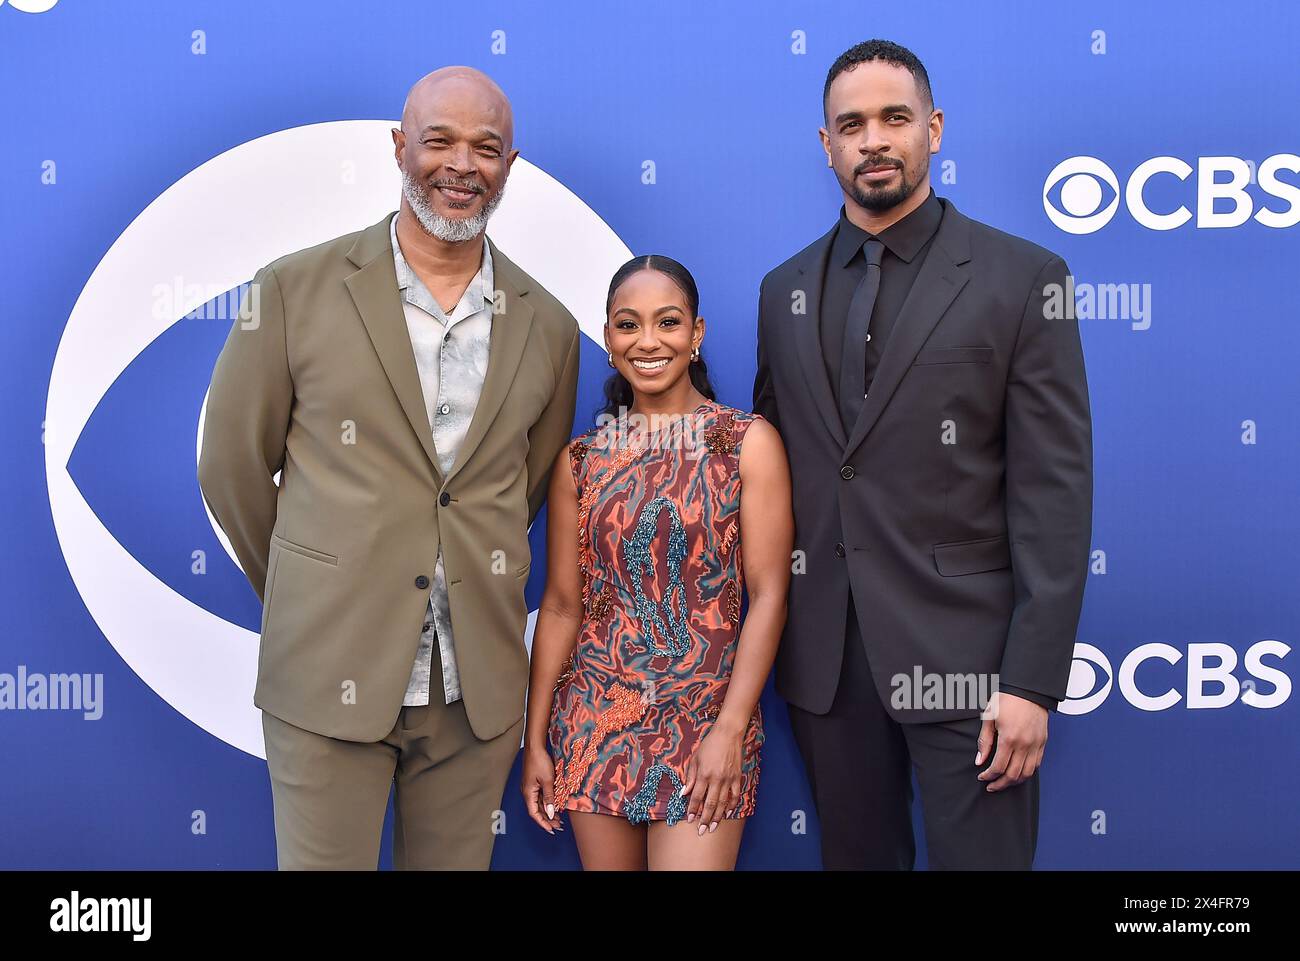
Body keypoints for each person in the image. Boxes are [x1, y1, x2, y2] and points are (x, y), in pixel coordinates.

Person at [197, 66, 580, 869]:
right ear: (399, 147)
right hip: (327, 666)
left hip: (473, 690)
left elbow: (525, 485)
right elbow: (230, 465)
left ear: (511, 165)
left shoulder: (549, 324)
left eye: (486, 147)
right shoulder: (294, 289)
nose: (461, 164)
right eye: (438, 139)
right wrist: (313, 585)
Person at [752, 39, 1092, 869]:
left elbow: (1055, 491)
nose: (874, 139)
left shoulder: (1023, 278)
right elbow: (776, 472)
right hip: (828, 665)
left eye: (894, 118)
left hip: (972, 668)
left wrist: (1031, 680)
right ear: (825, 144)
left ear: (933, 129)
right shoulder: (782, 290)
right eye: (852, 124)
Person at [521, 256, 793, 870]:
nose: (648, 341)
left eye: (667, 323)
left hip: (706, 724)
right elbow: (563, 605)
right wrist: (535, 740)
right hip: (594, 719)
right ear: (610, 338)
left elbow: (769, 596)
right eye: (627, 325)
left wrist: (731, 728)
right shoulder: (583, 459)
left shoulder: (746, 444)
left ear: (696, 335)